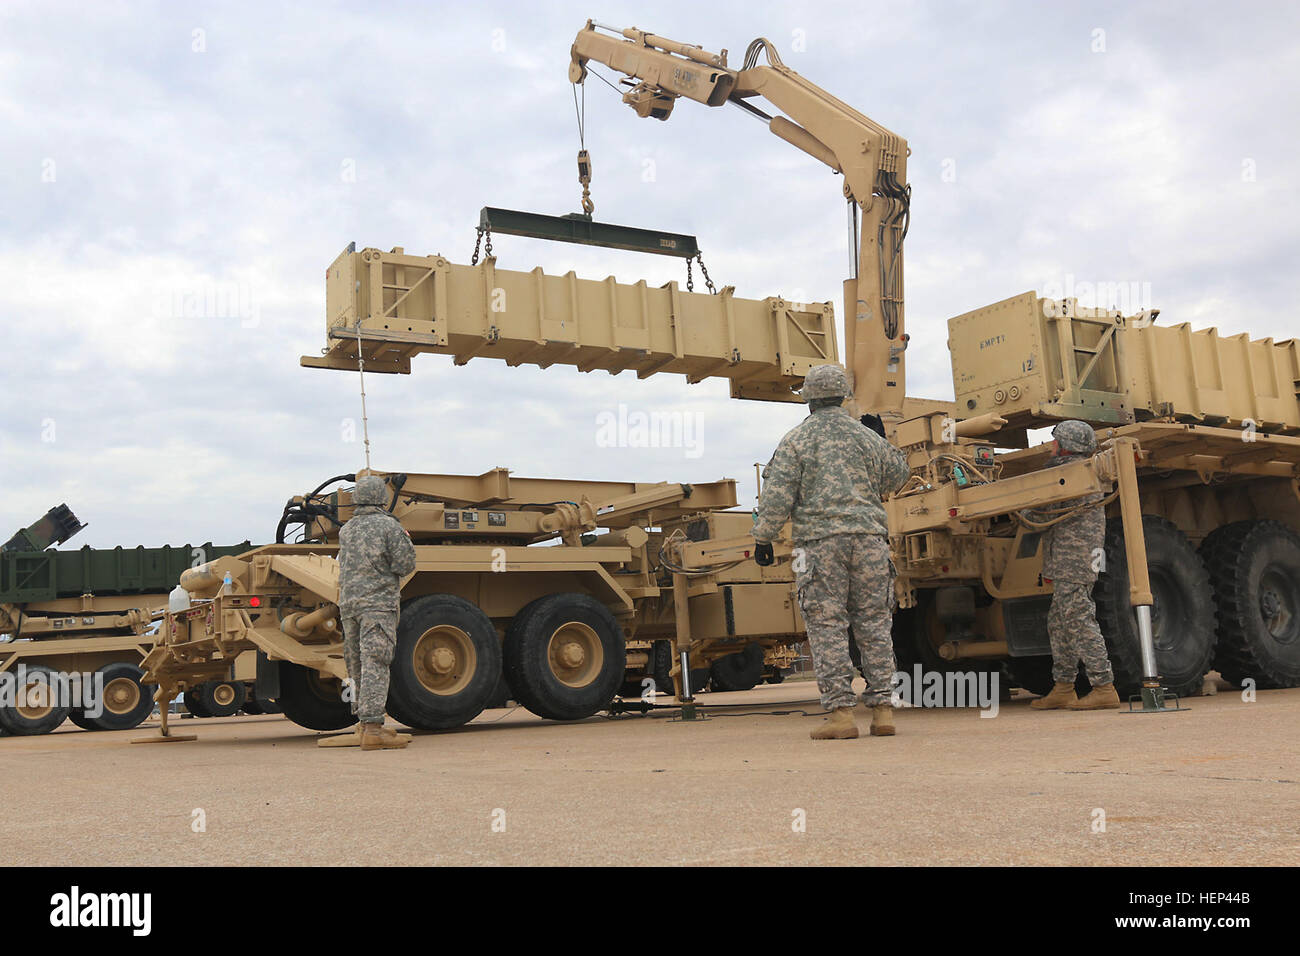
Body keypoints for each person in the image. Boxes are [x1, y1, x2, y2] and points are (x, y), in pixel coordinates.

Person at [752, 364, 911, 739]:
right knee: (875, 626)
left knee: (827, 628)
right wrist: (881, 440)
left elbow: (777, 494)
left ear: (808, 398)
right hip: (870, 541)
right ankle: (883, 711)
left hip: (820, 546)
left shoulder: (797, 440)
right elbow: (898, 476)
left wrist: (764, 537)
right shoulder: (866, 438)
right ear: (843, 395)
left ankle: (841, 715)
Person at [1022, 421, 1120, 711]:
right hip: (1079, 557)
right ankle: (1064, 687)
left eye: (1055, 442)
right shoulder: (1085, 468)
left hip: (1072, 558)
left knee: (1077, 618)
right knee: (1060, 621)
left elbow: (1038, 515)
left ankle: (1104, 686)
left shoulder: (1064, 472)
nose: (1051, 447)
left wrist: (1020, 509)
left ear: (1065, 446)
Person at [338, 473, 419, 749]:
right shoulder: (388, 526)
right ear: (382, 498)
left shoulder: (346, 529)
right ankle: (374, 729)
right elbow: (405, 564)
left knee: (356, 663)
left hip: (349, 606)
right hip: (377, 605)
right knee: (376, 661)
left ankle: (362, 726)